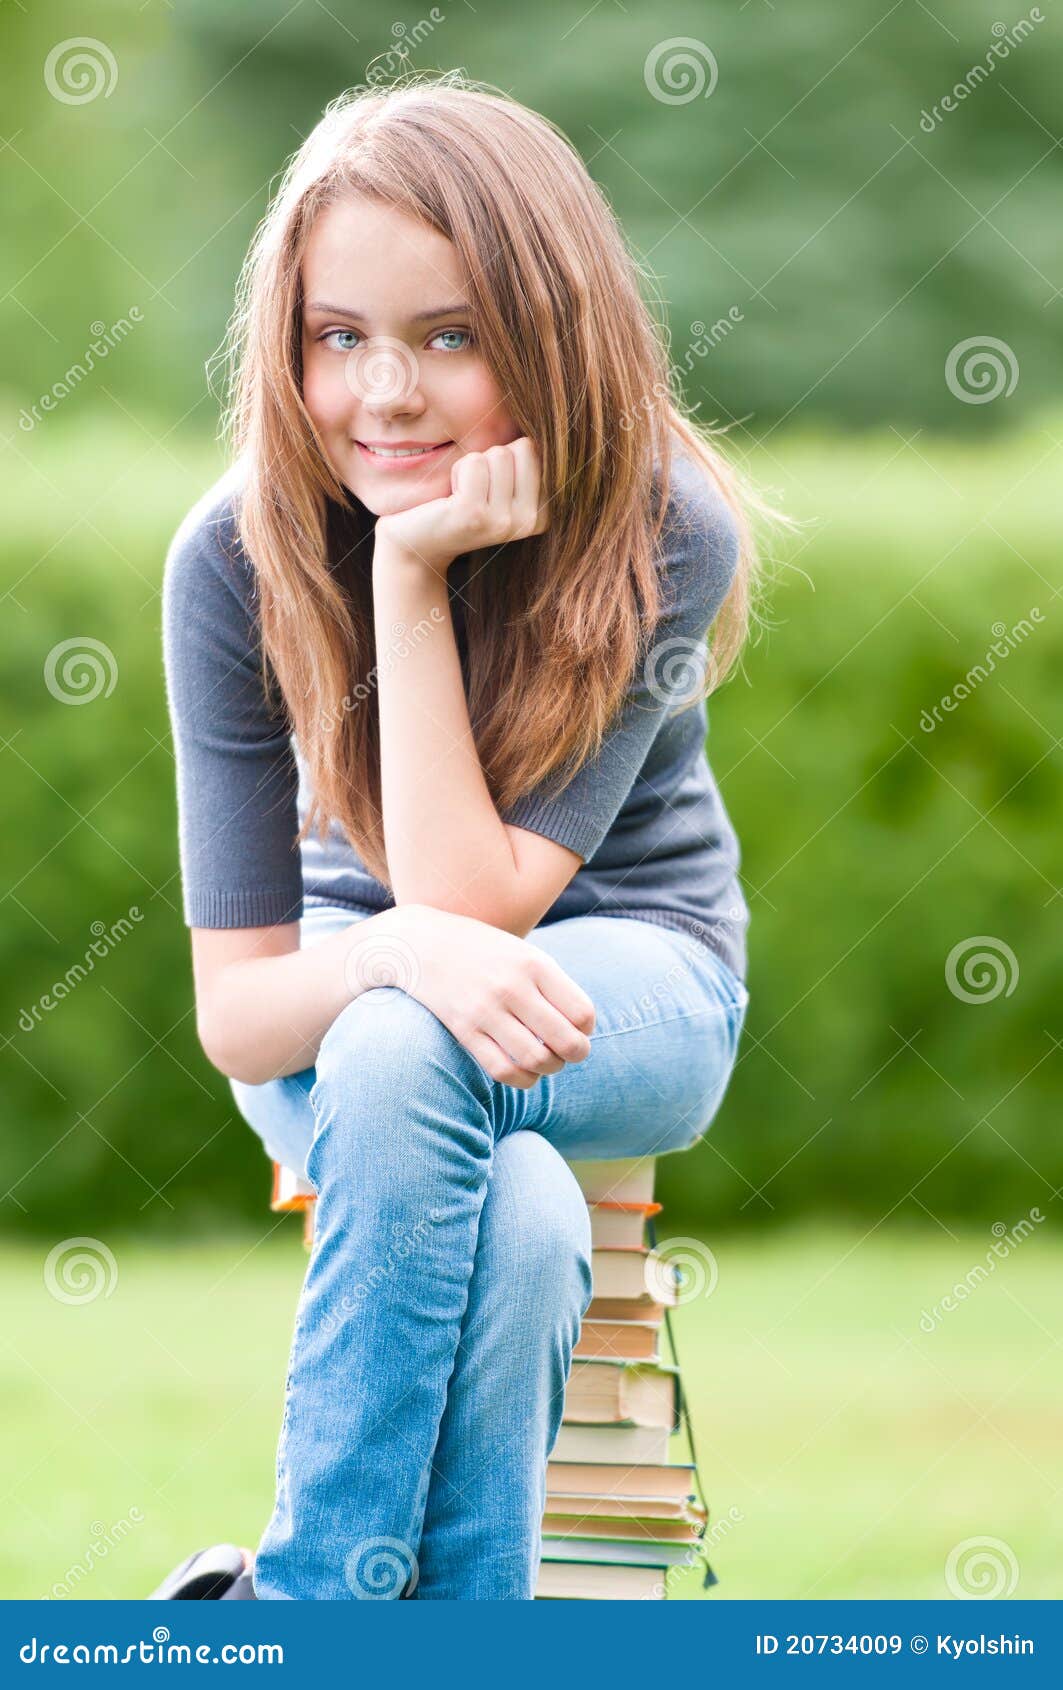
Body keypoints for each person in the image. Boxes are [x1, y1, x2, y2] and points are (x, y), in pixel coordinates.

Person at [161, 74, 777, 1601]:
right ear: (287, 343)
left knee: (406, 1042)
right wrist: (386, 950)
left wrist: (412, 580)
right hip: (346, 978)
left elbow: (475, 905)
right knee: (510, 1200)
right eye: (338, 337)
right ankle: (463, 1635)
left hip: (631, 964)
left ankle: (301, 1612)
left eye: (451, 336)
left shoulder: (662, 527)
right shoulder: (230, 560)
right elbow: (240, 1012)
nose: (386, 393)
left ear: (549, 330)